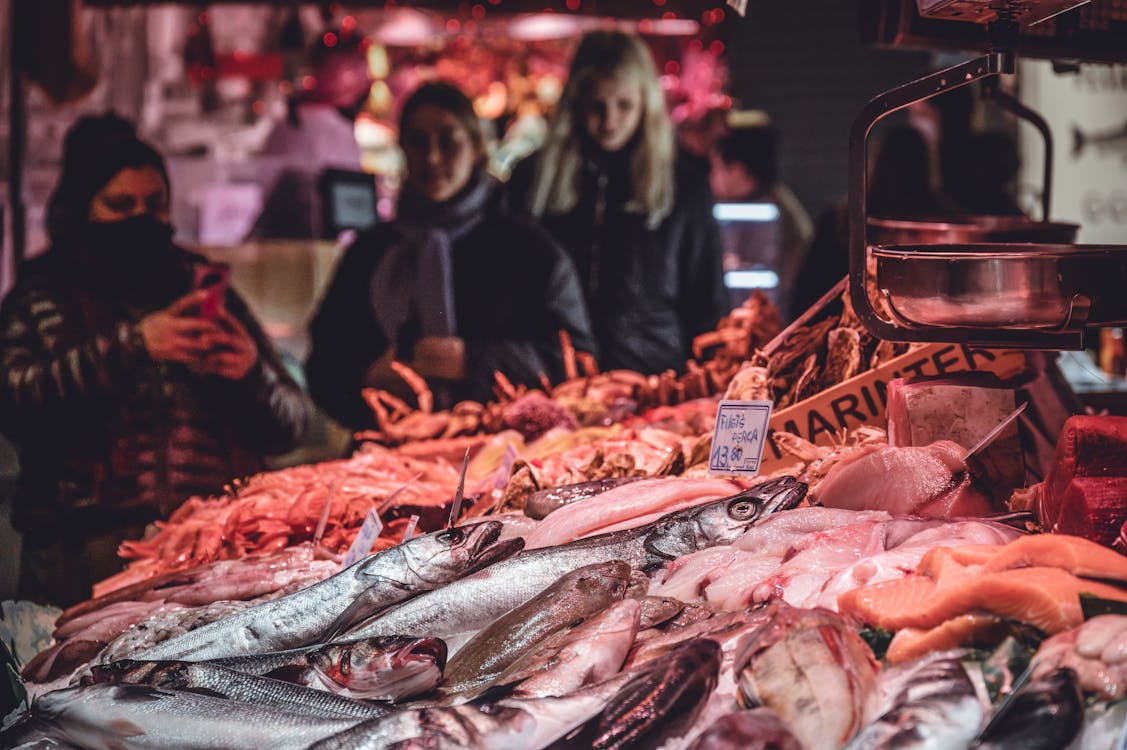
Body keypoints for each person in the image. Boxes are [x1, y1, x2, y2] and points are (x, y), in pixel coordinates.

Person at [0, 125, 312, 607]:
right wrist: (133, 345)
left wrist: (251, 375)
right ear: (82, 209)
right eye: (120, 206)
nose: (142, 220)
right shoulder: (43, 298)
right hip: (81, 561)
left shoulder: (205, 290)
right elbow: (15, 401)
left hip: (214, 555)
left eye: (155, 205)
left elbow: (293, 424)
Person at [305, 82, 595, 430]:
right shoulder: (370, 253)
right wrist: (365, 379)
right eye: (418, 141)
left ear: (475, 147)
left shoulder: (530, 251)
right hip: (391, 452)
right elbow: (323, 365)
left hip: (509, 449)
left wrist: (473, 361)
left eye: (448, 141)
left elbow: (576, 360)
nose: (432, 157)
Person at [507, 30, 729, 376]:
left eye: (624, 105)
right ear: (576, 101)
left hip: (656, 386)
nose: (610, 122)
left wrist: (710, 385)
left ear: (646, 103)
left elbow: (708, 302)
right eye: (597, 105)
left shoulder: (685, 184)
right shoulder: (531, 178)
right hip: (553, 380)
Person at [709, 113, 814, 319]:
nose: (710, 177)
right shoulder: (764, 206)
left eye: (715, 166)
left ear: (738, 170)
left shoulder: (777, 218)